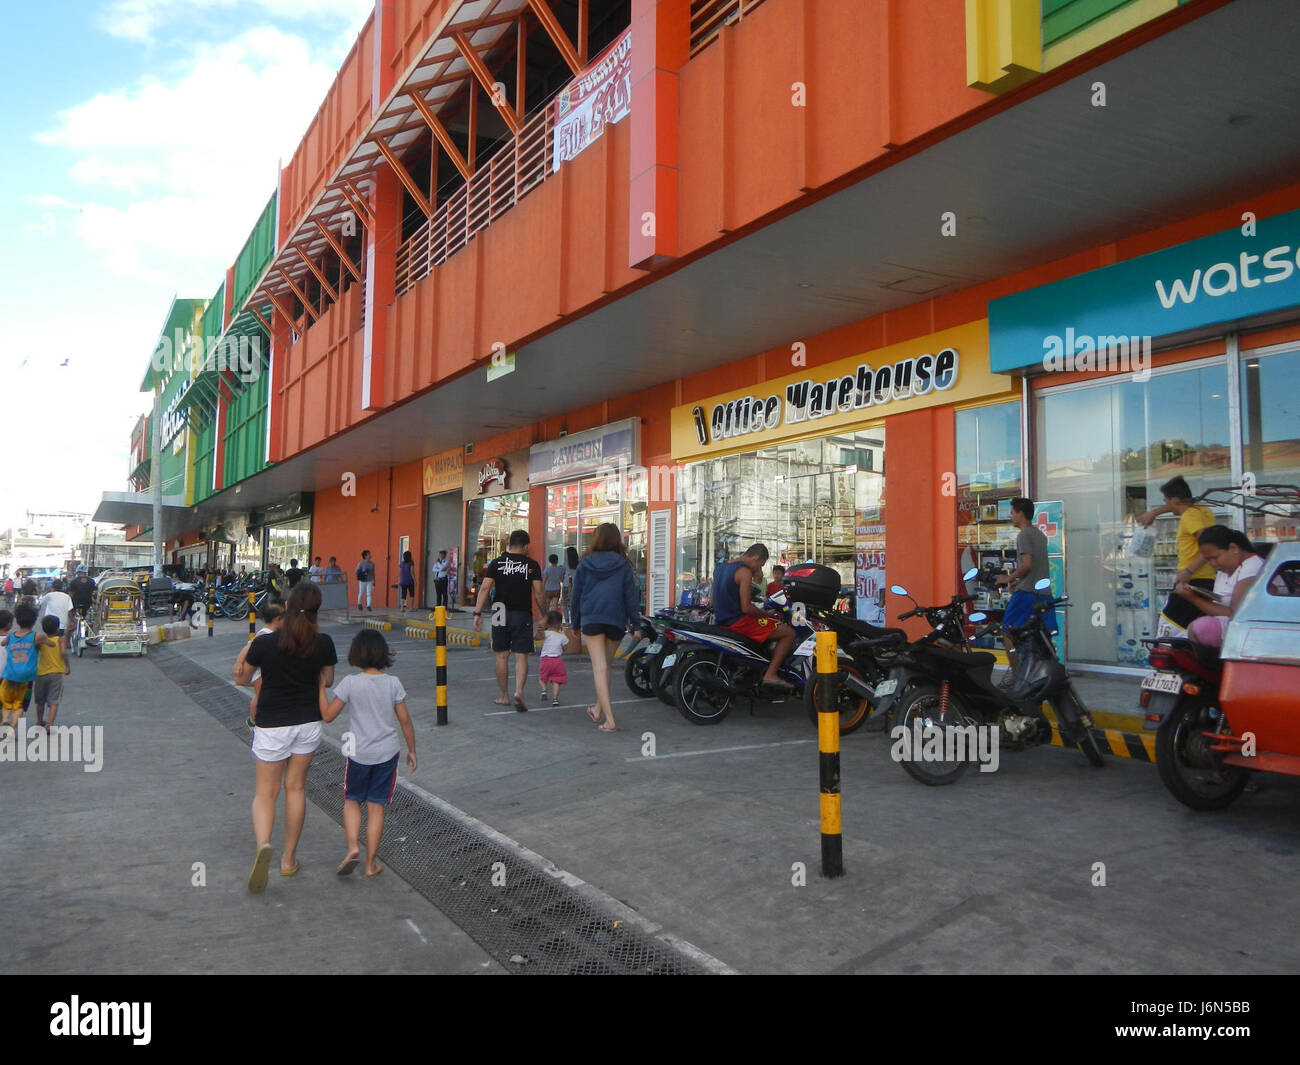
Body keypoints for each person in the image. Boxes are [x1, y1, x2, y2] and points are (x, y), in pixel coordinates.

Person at [235, 583, 337, 892]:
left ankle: (264, 844)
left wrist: (259, 659)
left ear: (287, 607)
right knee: (295, 788)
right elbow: (328, 679)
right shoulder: (323, 642)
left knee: (266, 793)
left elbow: (241, 677)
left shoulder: (266, 643)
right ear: (317, 609)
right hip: (307, 723)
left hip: (272, 724)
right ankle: (288, 860)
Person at [321, 629, 416, 879]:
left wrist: (319, 688)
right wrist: (412, 751)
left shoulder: (350, 683)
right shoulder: (393, 683)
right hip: (386, 753)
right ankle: (370, 864)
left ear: (356, 653)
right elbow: (405, 721)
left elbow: (328, 716)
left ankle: (353, 846)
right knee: (376, 807)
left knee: (352, 799)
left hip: (357, 753)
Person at [569, 523, 641, 731]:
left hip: (592, 617)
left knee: (600, 668)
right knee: (605, 667)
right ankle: (598, 710)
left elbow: (576, 595)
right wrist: (635, 624)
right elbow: (631, 597)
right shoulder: (623, 564)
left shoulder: (585, 563)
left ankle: (610, 720)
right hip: (616, 619)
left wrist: (574, 622)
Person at [473, 529, 544, 712]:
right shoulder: (532, 565)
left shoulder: (496, 563)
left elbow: (484, 588)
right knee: (521, 656)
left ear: (509, 545)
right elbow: (539, 593)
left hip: (499, 611)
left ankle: (504, 696)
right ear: (526, 546)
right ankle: (518, 692)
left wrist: (477, 613)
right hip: (522, 612)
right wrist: (544, 614)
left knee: (501, 655)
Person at [712, 543, 796, 690]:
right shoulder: (744, 572)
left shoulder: (719, 569)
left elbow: (712, 602)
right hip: (738, 622)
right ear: (756, 558)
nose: (760, 569)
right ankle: (770, 674)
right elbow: (746, 608)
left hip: (722, 621)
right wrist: (767, 615)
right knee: (788, 633)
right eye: (761, 565)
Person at [1139, 475, 1217, 636]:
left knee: (1168, 627)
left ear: (1174, 500)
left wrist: (1188, 571)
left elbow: (1208, 547)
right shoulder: (1203, 511)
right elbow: (1178, 504)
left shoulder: (1189, 516)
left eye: (1166, 501)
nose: (1166, 506)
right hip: (1207, 580)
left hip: (1194, 580)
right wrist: (1155, 512)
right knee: (1190, 629)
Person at [1174, 526, 1263, 649]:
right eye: (1208, 560)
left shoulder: (1252, 567)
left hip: (1248, 632)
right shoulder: (1223, 571)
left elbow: (1233, 614)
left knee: (1203, 627)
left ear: (1233, 548)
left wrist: (1193, 599)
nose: (1213, 564)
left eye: (1215, 557)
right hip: (1234, 631)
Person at [995, 498, 1057, 669]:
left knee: (1007, 632)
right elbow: (1036, 567)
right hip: (1044, 594)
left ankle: (1018, 676)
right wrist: (1019, 580)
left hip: (1027, 594)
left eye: (1013, 512)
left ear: (1020, 514)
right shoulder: (1040, 535)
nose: (1011, 516)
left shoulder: (1024, 534)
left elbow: (1027, 564)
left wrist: (1009, 578)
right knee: (1040, 636)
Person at [234, 602, 286, 729]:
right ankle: (253, 720)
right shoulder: (264, 634)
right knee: (260, 695)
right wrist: (239, 662)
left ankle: (256, 719)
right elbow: (247, 648)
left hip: (264, 668)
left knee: (262, 695)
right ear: (277, 619)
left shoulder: (271, 633)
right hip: (259, 671)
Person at [1, 604, 39, 730]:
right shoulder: (34, 637)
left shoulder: (10, 637)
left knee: (5, 703)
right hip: (24, 678)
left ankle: (5, 721)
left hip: (8, 676)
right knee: (20, 704)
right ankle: (11, 727)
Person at [33, 615, 70, 729]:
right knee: (54, 700)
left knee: (40, 700)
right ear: (58, 628)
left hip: (40, 673)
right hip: (56, 673)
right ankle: (49, 723)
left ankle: (39, 721)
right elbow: (63, 652)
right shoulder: (60, 640)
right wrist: (67, 665)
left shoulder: (41, 640)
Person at [538, 610, 568, 706]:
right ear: (560, 623)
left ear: (548, 623)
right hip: (557, 661)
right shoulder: (562, 636)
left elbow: (538, 636)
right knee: (557, 680)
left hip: (545, 659)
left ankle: (544, 690)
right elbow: (565, 648)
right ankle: (555, 699)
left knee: (542, 677)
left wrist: (540, 628)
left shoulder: (546, 633)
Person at [563, 546, 580, 625]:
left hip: (566, 585)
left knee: (565, 603)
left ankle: (567, 621)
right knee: (574, 604)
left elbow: (562, 573)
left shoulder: (565, 563)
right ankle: (574, 621)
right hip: (576, 586)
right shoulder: (579, 563)